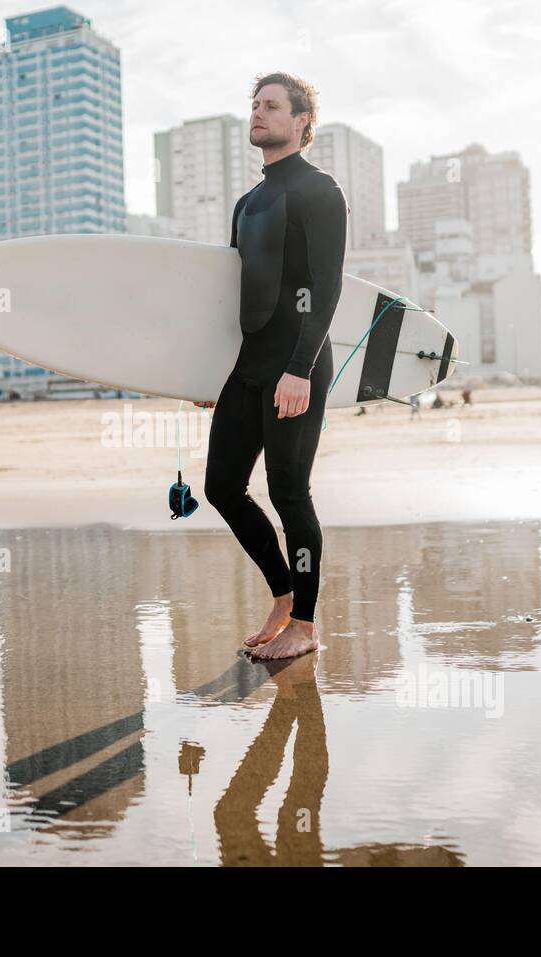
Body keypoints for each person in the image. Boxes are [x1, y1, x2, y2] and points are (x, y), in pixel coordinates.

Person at [192, 72, 347, 661]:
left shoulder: (320, 191)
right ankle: (283, 593)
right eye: (254, 105)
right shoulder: (247, 202)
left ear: (302, 121)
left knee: (288, 492)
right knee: (222, 486)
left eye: (271, 106)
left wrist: (300, 368)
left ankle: (305, 624)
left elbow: (325, 288)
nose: (257, 114)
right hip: (250, 362)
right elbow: (236, 296)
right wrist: (208, 375)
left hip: (296, 362)